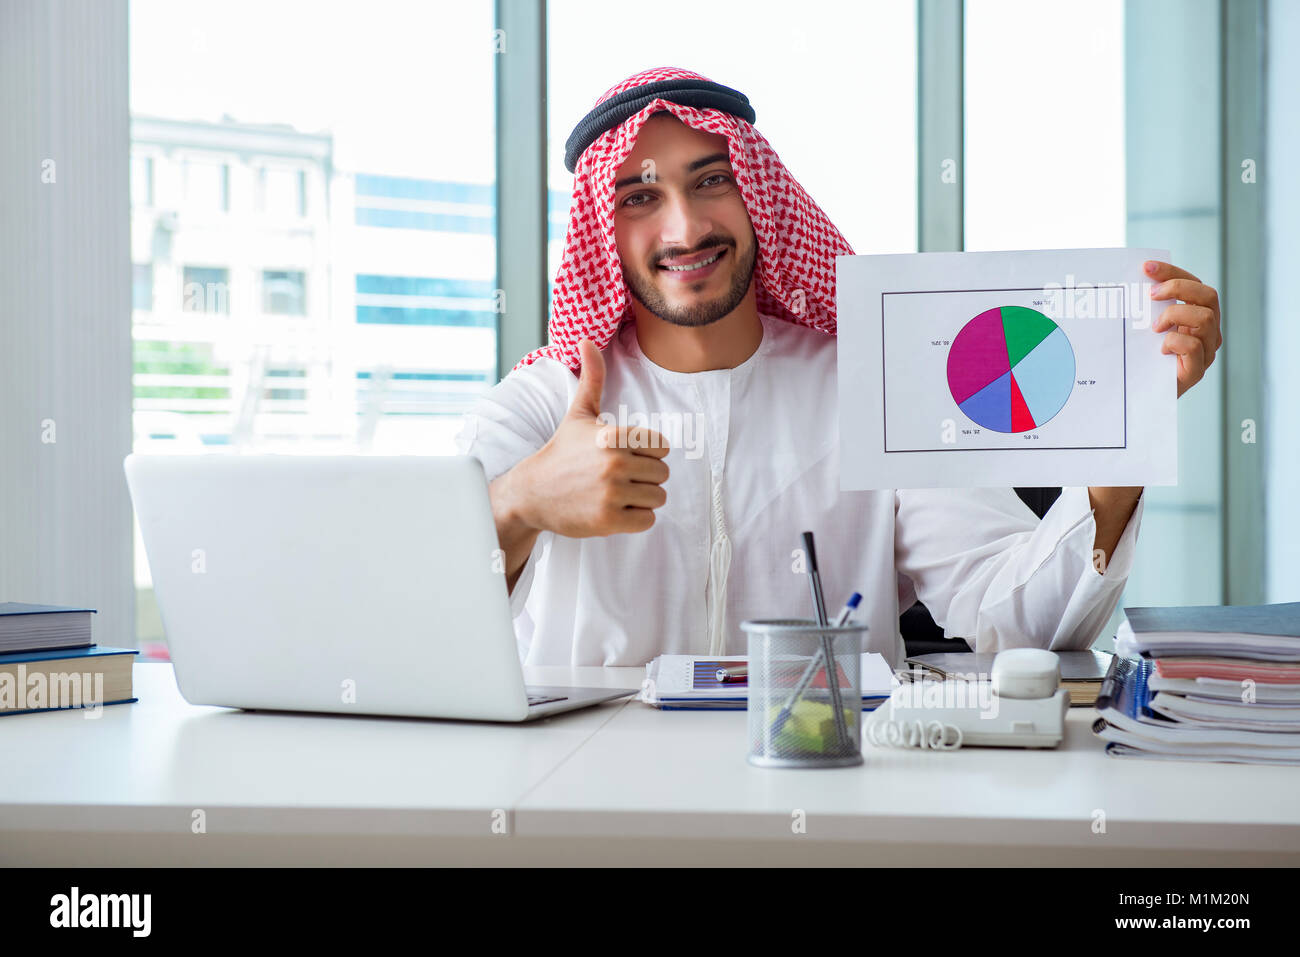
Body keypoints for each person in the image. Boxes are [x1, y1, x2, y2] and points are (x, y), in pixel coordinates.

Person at [455, 67, 1222, 667]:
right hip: (590, 811)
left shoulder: (874, 390)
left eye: (711, 180)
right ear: (602, 228)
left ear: (758, 192)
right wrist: (521, 502)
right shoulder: (541, 409)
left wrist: (1119, 460)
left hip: (832, 797)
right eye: (639, 196)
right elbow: (412, 610)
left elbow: (1017, 623)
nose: (685, 225)